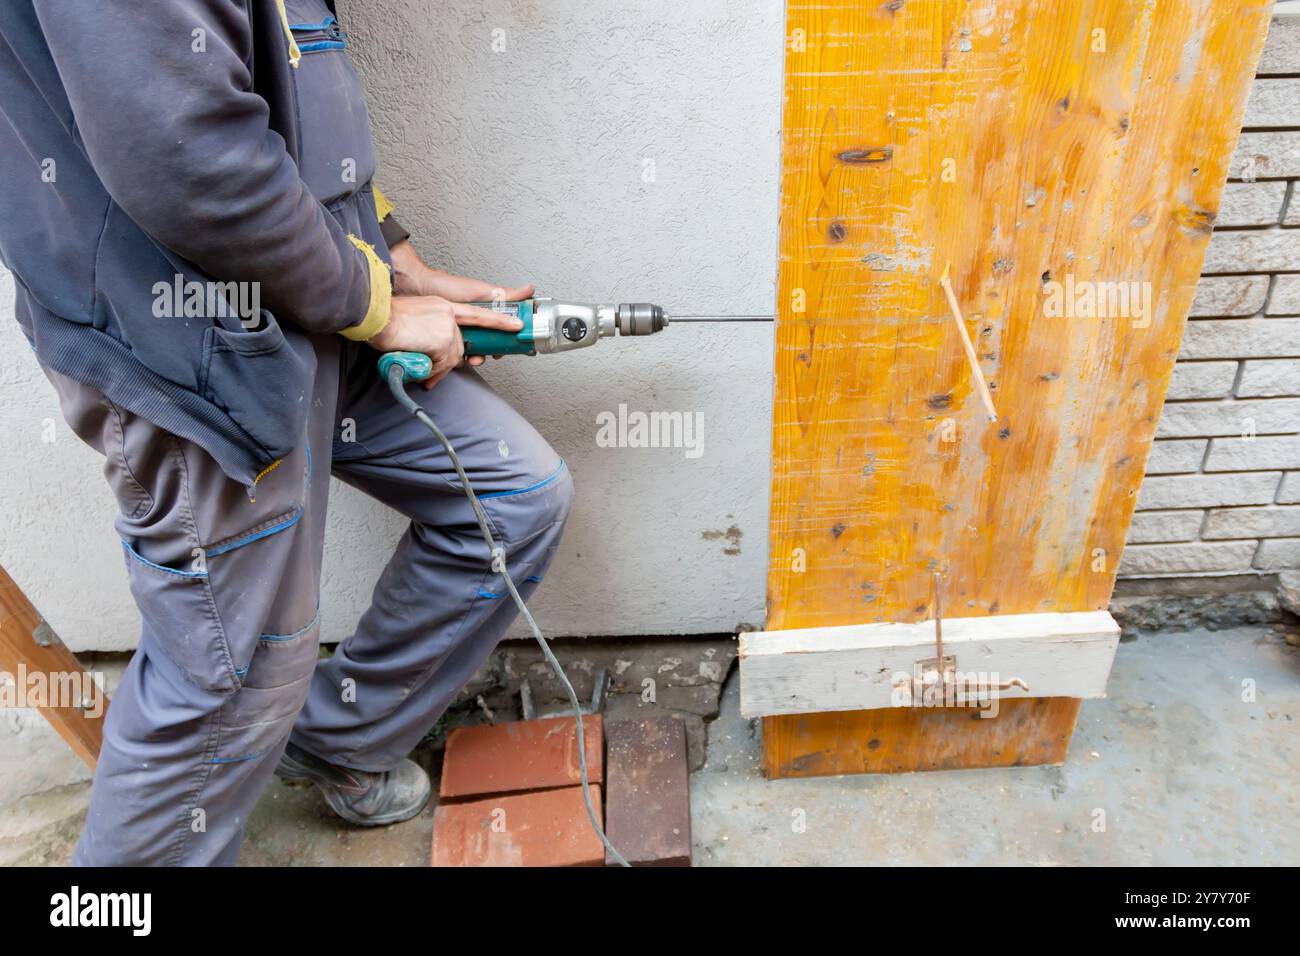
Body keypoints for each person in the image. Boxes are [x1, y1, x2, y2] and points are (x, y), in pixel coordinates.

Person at [0, 0, 573, 865]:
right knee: (229, 680)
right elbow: (186, 160)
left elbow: (295, 108)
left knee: (513, 497)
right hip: (195, 344)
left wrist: (389, 253)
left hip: (316, 301)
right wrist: (372, 306)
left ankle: (338, 737)